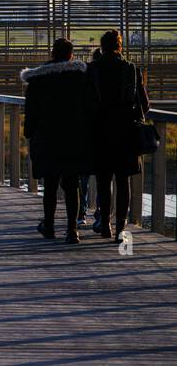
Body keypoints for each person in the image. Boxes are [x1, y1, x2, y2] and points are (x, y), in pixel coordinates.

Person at [22, 38, 96, 243]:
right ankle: (72, 230)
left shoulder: (38, 79)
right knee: (72, 185)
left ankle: (49, 225)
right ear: (71, 55)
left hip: (47, 138)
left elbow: (31, 111)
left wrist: (29, 132)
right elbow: (90, 107)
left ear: (53, 53)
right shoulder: (81, 77)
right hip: (75, 138)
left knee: (51, 184)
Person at [88, 30, 150, 241]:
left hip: (99, 132)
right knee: (123, 181)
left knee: (104, 181)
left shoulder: (92, 70)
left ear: (102, 47)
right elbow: (145, 104)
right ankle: (121, 228)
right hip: (125, 132)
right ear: (120, 47)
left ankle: (105, 223)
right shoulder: (130, 69)